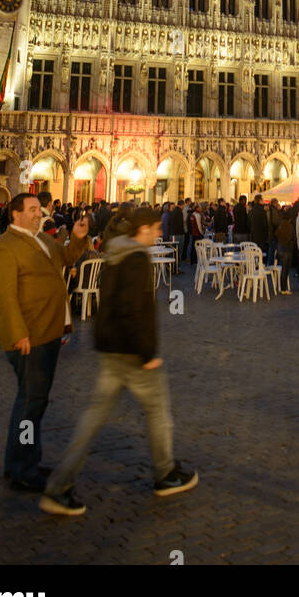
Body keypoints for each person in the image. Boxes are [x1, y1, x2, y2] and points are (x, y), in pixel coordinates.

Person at [40, 206, 197, 515]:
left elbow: (107, 301)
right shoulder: (137, 258)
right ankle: (164, 473)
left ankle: (58, 485)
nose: (160, 233)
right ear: (144, 230)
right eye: (156, 228)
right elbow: (137, 309)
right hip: (132, 352)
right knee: (158, 412)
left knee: (94, 417)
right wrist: (148, 353)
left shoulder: (114, 252)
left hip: (109, 347)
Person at [0, 192, 90, 491]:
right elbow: (5, 297)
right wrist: (19, 333)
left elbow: (68, 257)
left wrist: (78, 236)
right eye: (32, 210)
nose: (39, 214)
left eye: (39, 209)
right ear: (15, 214)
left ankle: (20, 461)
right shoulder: (4, 247)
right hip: (29, 336)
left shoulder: (43, 241)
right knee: (31, 404)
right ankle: (22, 468)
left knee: (32, 403)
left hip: (48, 332)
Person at [276, 206, 295, 293]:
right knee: (286, 270)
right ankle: (283, 288)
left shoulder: (280, 225)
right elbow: (292, 237)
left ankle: (283, 287)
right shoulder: (289, 226)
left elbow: (276, 234)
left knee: (283, 269)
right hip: (287, 249)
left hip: (280, 248)